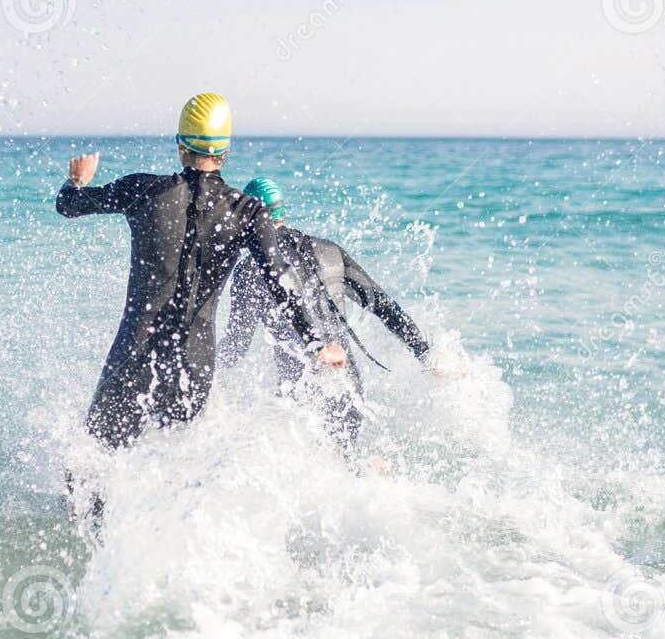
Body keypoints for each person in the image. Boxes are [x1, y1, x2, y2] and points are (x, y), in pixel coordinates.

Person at [56, 92, 346, 459]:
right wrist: (316, 342)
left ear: (180, 144)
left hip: (134, 356)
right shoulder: (247, 211)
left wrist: (76, 181)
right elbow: (279, 278)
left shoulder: (143, 190)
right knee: (173, 469)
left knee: (91, 464)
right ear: (225, 151)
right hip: (194, 363)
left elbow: (67, 206)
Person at [219, 177, 443, 454]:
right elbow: (383, 306)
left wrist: (196, 365)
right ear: (282, 211)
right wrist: (425, 353)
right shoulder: (329, 251)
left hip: (301, 398)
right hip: (348, 386)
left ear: (248, 218)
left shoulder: (249, 270)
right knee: (344, 459)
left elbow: (236, 346)